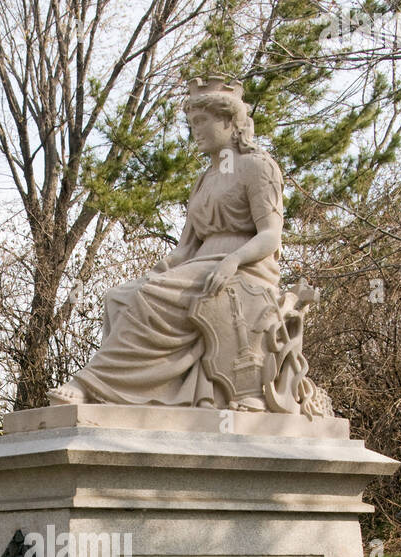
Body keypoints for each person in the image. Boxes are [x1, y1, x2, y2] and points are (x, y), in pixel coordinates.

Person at [49, 77, 284, 409]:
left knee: (149, 296)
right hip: (199, 264)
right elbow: (188, 245)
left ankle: (90, 384)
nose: (195, 131)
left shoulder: (257, 167)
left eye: (202, 121)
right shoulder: (204, 180)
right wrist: (163, 267)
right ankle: (126, 398)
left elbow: (270, 235)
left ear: (228, 121)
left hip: (245, 269)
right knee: (119, 297)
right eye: (191, 124)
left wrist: (232, 260)